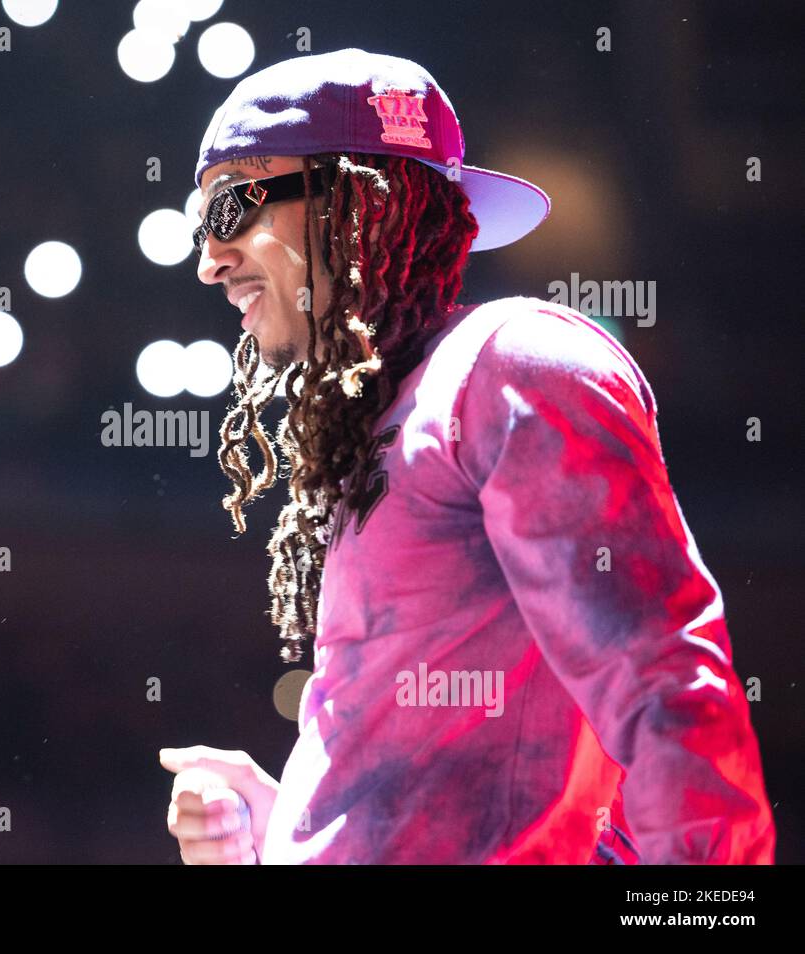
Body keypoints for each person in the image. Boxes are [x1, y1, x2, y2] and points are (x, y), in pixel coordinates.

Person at [160, 48, 775, 864]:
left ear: (362, 202)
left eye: (234, 209)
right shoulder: (384, 417)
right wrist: (285, 830)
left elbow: (666, 686)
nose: (209, 260)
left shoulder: (512, 360)